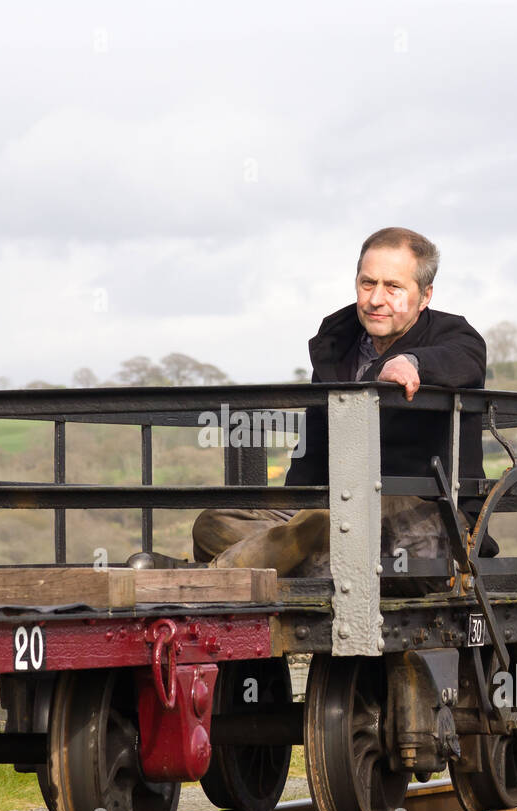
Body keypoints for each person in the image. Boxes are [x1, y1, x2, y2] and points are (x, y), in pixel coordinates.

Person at [191, 226, 498, 593]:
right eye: (367, 284)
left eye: (393, 287)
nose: (376, 299)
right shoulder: (336, 345)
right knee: (213, 522)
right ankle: (298, 561)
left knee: (322, 526)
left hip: (425, 516)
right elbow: (313, 447)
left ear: (424, 296)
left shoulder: (454, 337)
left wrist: (412, 362)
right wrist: (296, 504)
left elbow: (464, 360)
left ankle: (211, 579)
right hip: (334, 508)